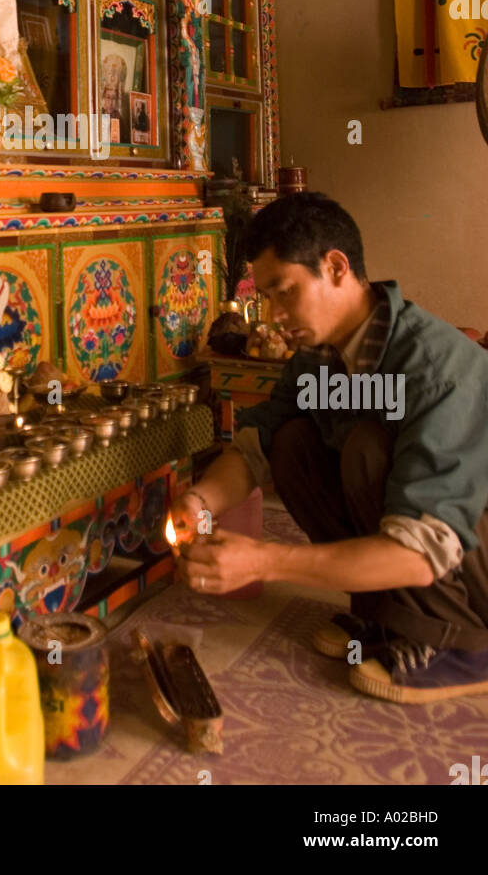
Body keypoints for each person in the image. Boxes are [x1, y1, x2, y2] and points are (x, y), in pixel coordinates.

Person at [172, 191, 488, 704]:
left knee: (366, 446)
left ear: (336, 267)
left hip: (470, 554)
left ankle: (463, 642)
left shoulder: (434, 369)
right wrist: (201, 503)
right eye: (265, 297)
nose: (272, 315)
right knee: (294, 441)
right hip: (427, 551)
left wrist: (264, 561)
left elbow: (424, 550)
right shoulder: (317, 360)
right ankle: (388, 616)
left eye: (284, 292)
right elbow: (256, 447)